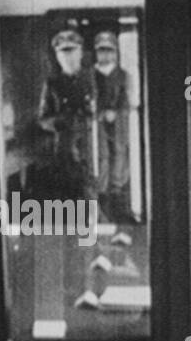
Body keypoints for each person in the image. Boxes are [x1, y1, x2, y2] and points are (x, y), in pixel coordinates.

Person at [36, 28, 96, 202]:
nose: (67, 57)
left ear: (80, 53)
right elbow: (42, 119)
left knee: (94, 197)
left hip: (91, 148)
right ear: (57, 56)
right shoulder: (52, 84)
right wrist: (59, 122)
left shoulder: (92, 79)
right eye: (63, 53)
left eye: (72, 51)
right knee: (68, 198)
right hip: (65, 152)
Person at [92, 31, 132, 222]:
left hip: (117, 125)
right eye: (101, 51)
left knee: (119, 152)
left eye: (109, 51)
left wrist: (116, 113)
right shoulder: (90, 75)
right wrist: (99, 113)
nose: (105, 55)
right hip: (97, 125)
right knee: (102, 156)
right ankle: (103, 194)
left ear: (115, 52)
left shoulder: (122, 75)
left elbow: (126, 100)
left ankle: (117, 192)